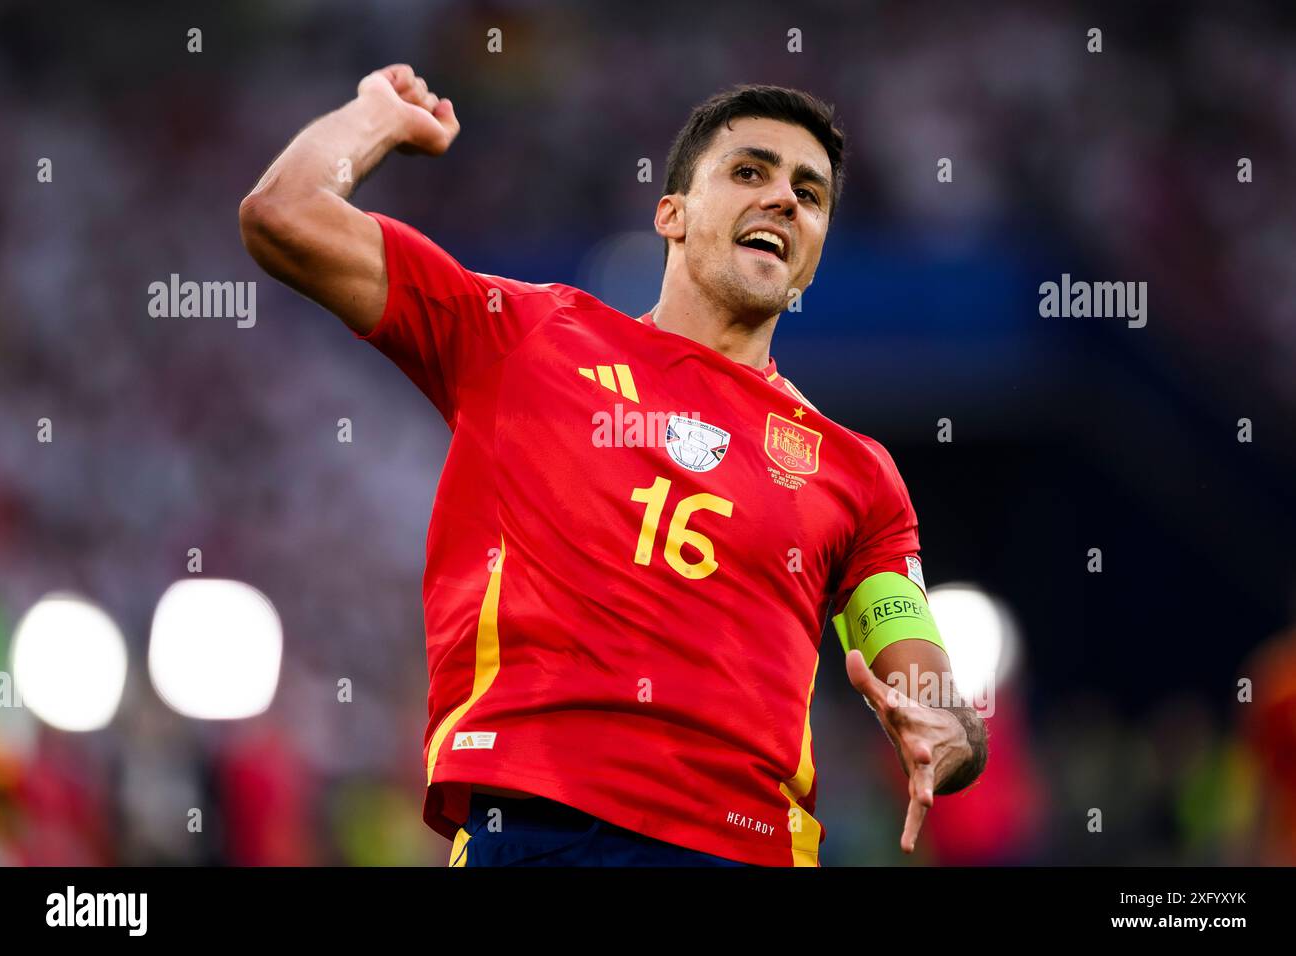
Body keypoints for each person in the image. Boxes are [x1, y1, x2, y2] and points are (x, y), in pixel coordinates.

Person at [239, 64, 987, 866]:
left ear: (812, 255)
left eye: (810, 194)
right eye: (748, 172)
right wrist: (374, 117)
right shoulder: (524, 339)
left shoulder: (856, 475)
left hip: (744, 847)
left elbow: (919, 670)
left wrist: (946, 724)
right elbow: (285, 218)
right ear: (671, 213)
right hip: (532, 830)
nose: (783, 200)